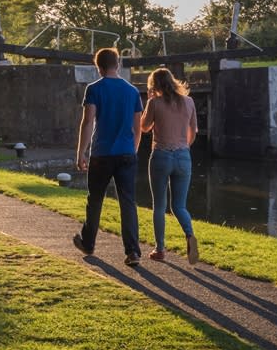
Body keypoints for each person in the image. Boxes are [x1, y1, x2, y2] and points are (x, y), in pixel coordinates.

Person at [72, 47, 144, 266]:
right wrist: (133, 149)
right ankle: (133, 252)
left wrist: (81, 152)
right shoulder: (132, 91)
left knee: (95, 200)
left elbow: (88, 122)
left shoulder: (94, 89)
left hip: (102, 153)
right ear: (118, 64)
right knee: (128, 202)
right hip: (126, 153)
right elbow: (138, 127)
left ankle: (88, 243)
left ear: (99, 67)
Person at [141, 67, 199, 264]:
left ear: (154, 85)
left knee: (159, 205)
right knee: (179, 206)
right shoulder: (189, 101)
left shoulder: (154, 103)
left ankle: (159, 249)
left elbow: (144, 127)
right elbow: (193, 131)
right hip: (183, 156)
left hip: (161, 156)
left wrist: (149, 100)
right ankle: (189, 234)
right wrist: (184, 147)